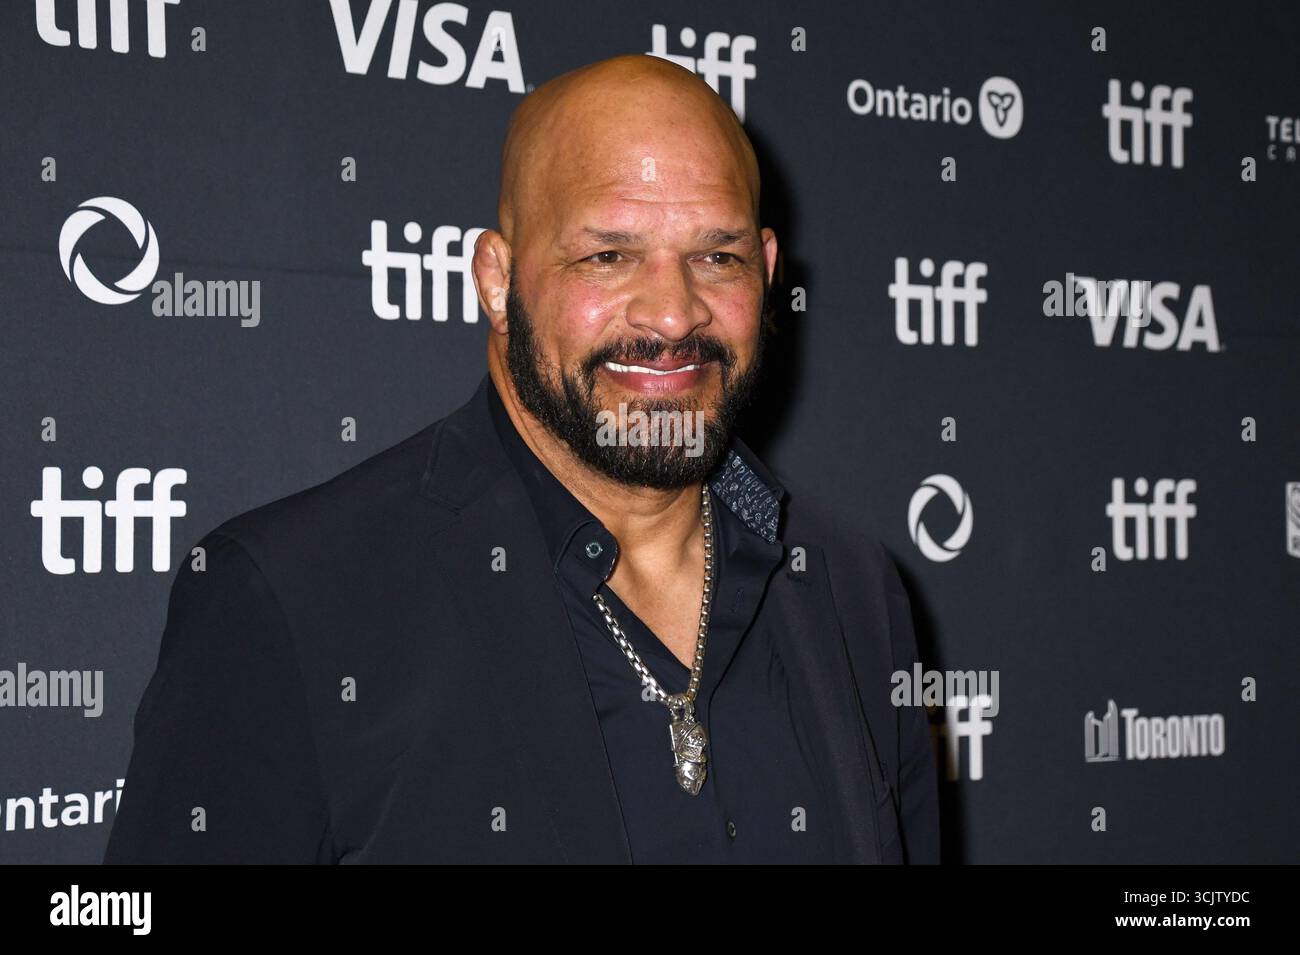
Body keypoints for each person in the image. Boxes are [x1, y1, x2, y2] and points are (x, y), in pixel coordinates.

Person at [104, 53, 939, 864]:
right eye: (608, 255)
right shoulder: (288, 599)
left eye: (714, 257)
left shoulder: (852, 588)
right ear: (499, 282)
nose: (674, 314)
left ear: (763, 272)